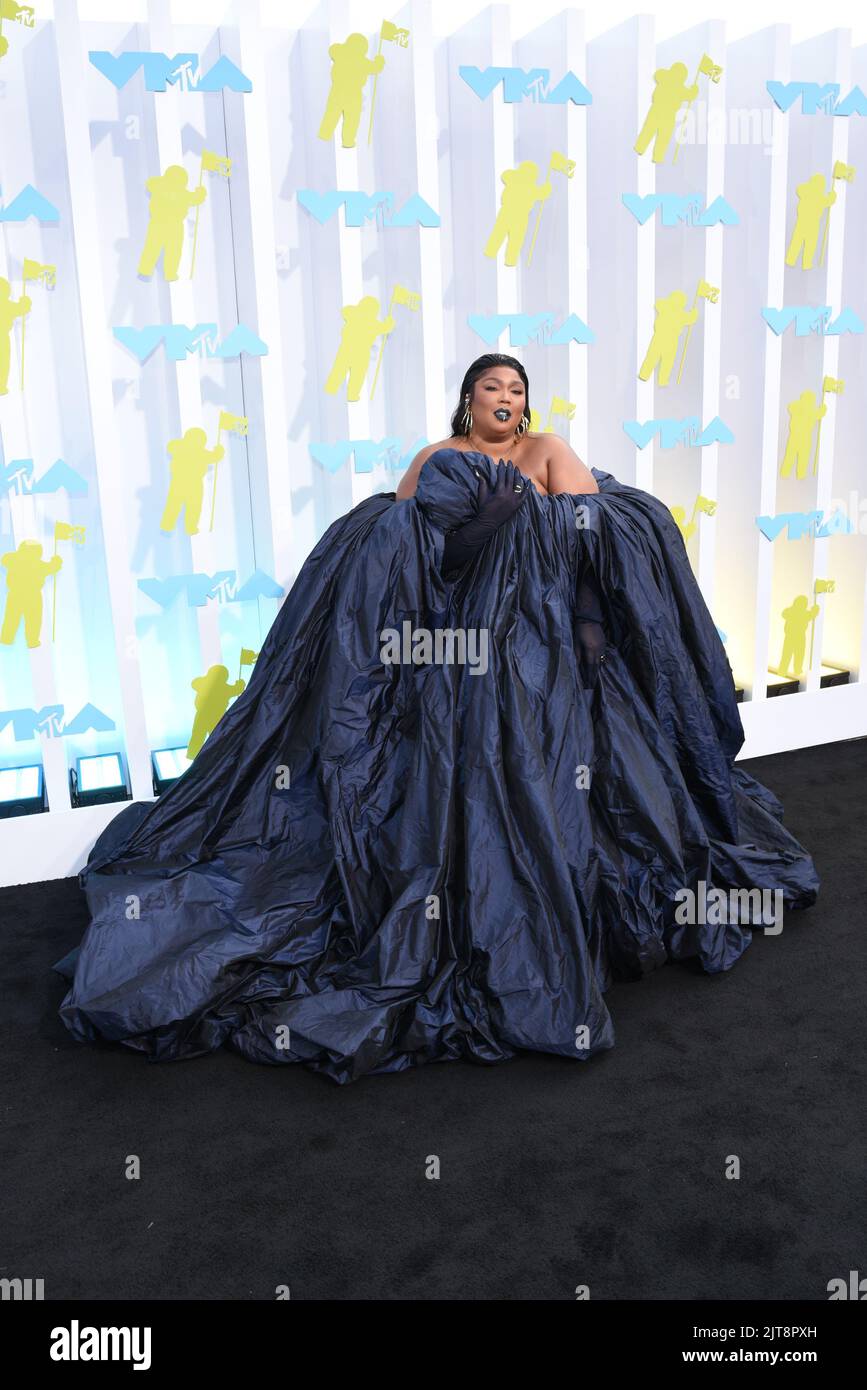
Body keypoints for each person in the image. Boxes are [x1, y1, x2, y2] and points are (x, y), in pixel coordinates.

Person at [55, 353, 819, 1084]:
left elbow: (595, 545)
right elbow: (398, 553)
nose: (506, 396)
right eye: (492, 384)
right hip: (445, 647)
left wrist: (580, 619)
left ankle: (541, 906)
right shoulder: (435, 455)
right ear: (468, 397)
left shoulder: (550, 450)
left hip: (540, 647)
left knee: (552, 773)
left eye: (516, 387)